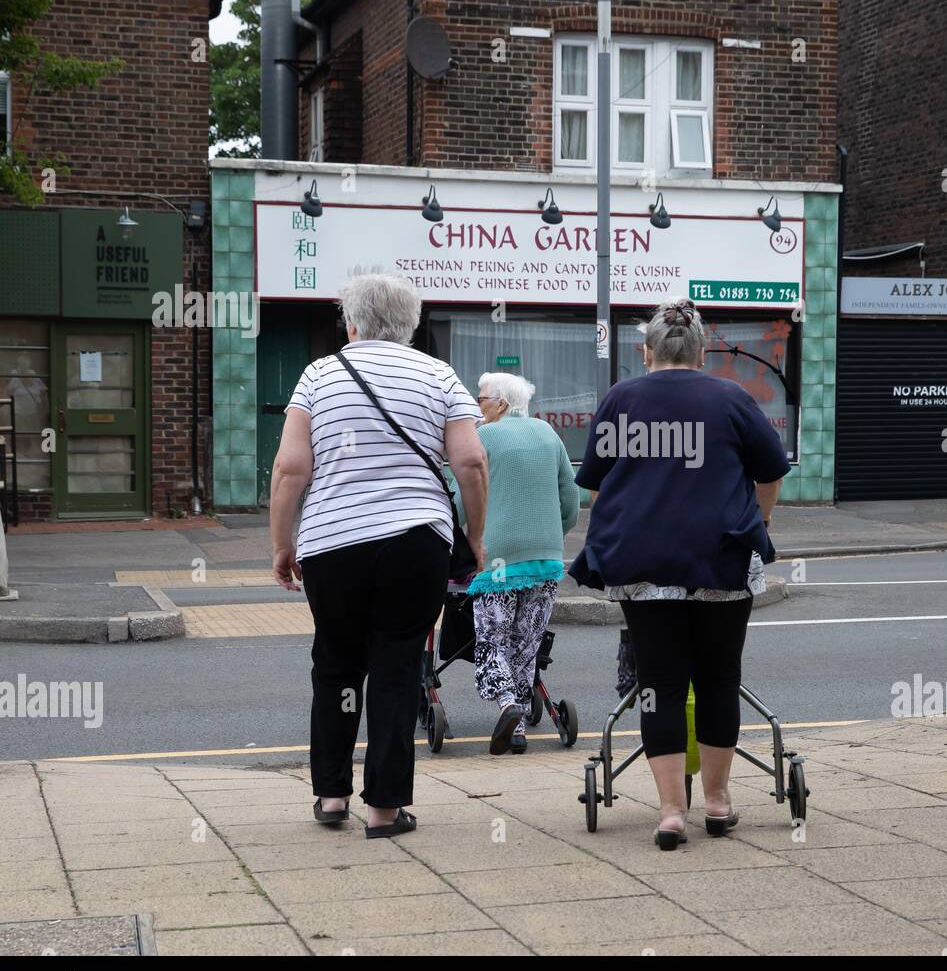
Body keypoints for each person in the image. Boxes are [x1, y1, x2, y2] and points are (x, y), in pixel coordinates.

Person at [270, 272, 488, 839]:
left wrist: (281, 543)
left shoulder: (318, 376)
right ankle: (385, 809)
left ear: (353, 323)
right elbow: (470, 464)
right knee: (397, 668)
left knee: (337, 664)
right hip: (416, 540)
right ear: (411, 327)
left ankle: (332, 796)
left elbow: (291, 468)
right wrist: (476, 535)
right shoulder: (439, 374)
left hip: (331, 543)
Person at [570, 299, 789, 849]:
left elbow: (593, 480)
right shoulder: (731, 397)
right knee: (719, 680)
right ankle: (717, 803)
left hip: (644, 564)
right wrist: (757, 521)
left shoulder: (623, 398)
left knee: (659, 686)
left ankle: (671, 813)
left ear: (646, 352)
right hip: (722, 557)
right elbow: (770, 471)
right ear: (700, 351)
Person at [462, 372, 579, 754]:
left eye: (481, 399)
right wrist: (553, 533)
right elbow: (569, 498)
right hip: (545, 557)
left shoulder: (484, 437)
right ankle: (518, 728)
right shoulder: (548, 434)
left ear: (500, 403)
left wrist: (466, 535)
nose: (477, 406)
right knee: (526, 645)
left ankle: (509, 705)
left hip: (498, 558)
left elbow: (465, 494)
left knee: (493, 641)